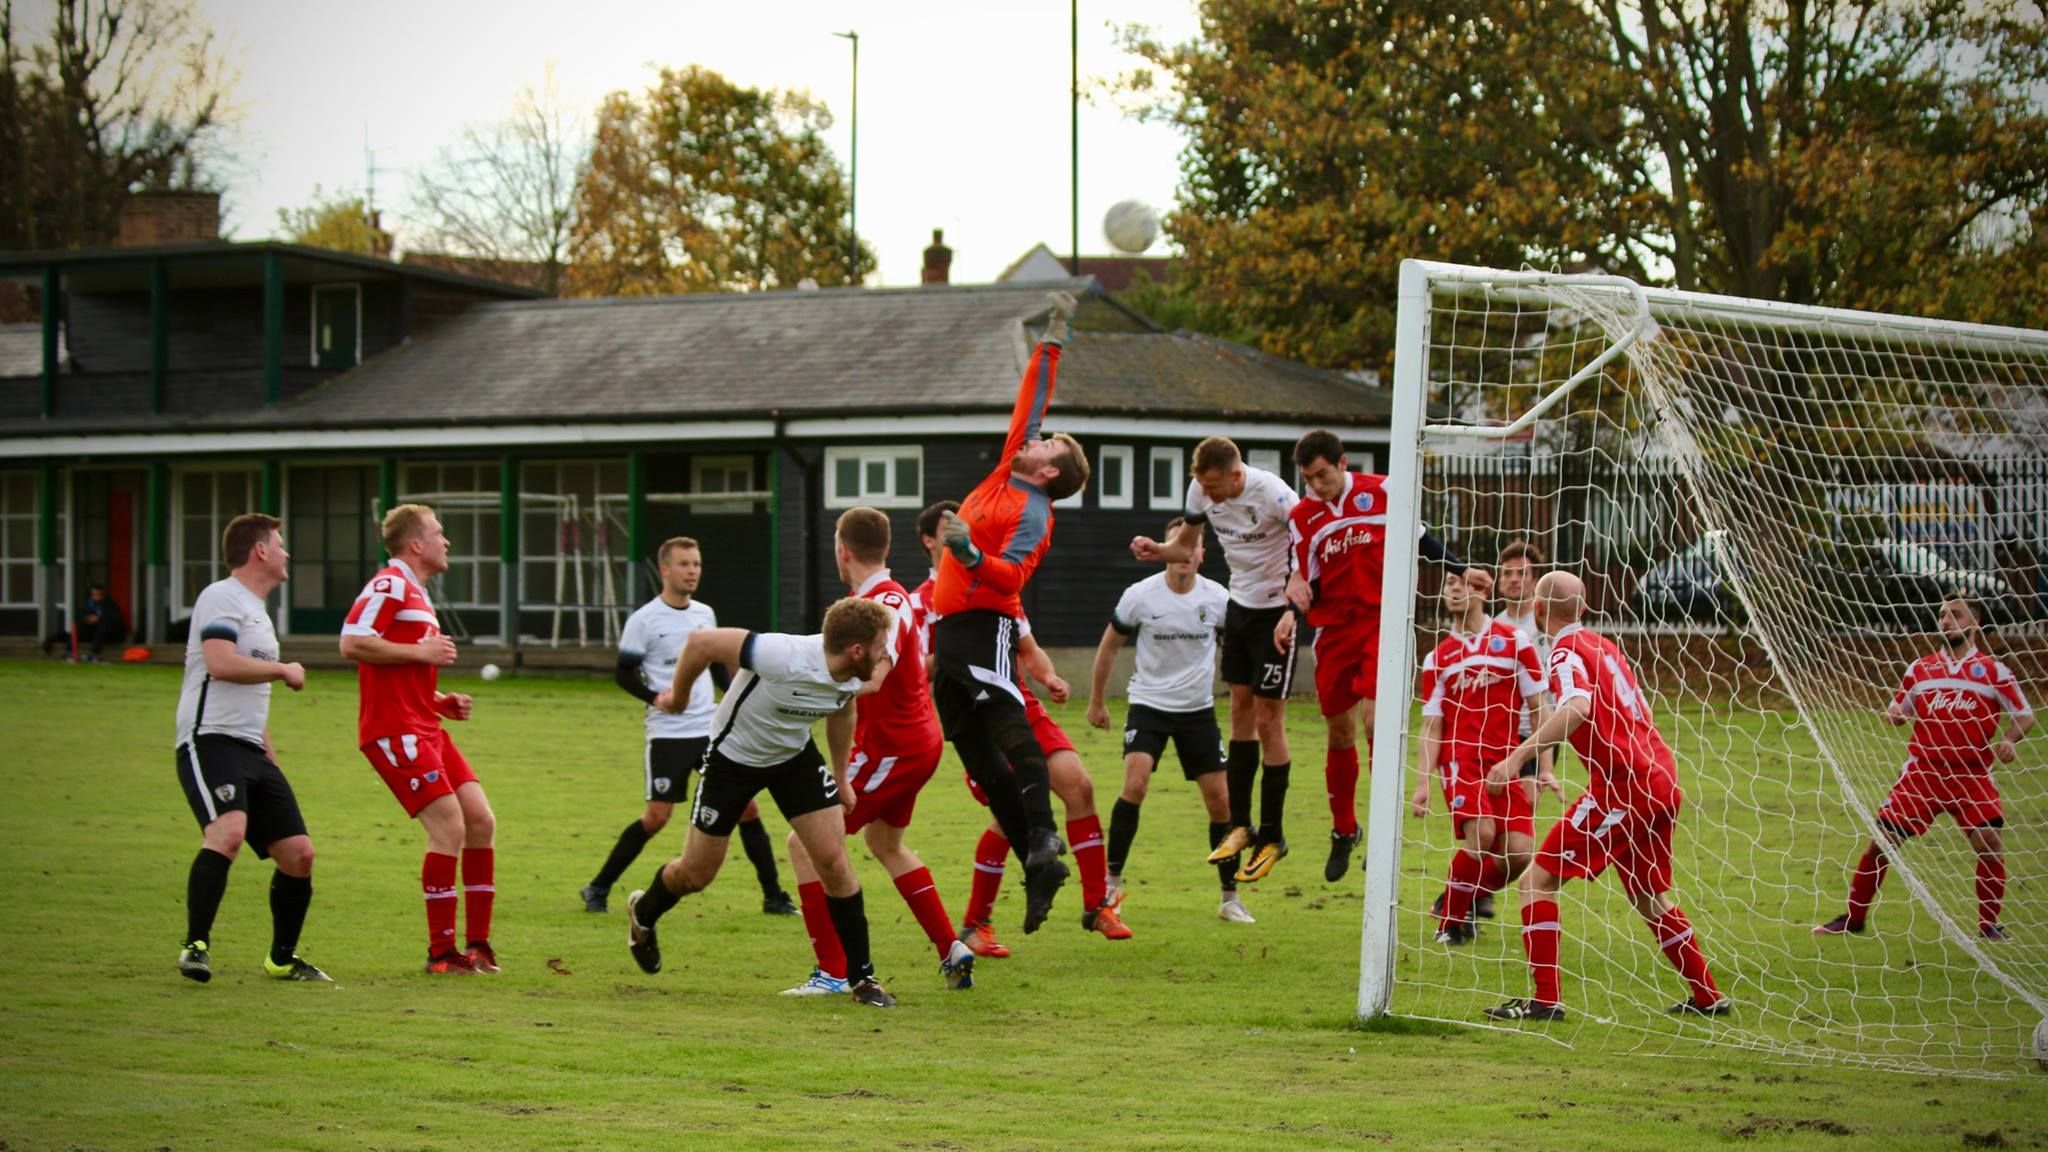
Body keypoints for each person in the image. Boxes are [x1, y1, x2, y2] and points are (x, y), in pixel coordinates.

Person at [626, 597, 899, 1008]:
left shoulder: (853, 673)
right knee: (696, 874)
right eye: (881, 647)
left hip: (793, 758)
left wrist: (842, 779)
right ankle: (643, 914)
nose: (885, 654)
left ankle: (863, 980)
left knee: (834, 860)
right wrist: (679, 701)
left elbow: (843, 710)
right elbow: (701, 643)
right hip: (732, 760)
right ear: (856, 650)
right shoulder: (781, 654)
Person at [1482, 572, 1727, 1021]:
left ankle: (1545, 1002)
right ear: (1585, 607)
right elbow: (1639, 709)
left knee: (1536, 880)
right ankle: (1708, 996)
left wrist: (1517, 759)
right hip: (1661, 777)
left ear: (1538, 610)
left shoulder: (1564, 650)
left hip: (1624, 786)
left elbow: (1577, 706)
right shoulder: (1605, 646)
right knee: (1648, 892)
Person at [930, 290, 1091, 933]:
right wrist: (1052, 338)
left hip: (987, 627)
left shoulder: (1035, 513)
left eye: (1048, 443)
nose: (1038, 438)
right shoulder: (1008, 468)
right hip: (950, 632)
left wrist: (968, 554)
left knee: (1007, 721)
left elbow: (1011, 577)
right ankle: (1038, 855)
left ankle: (1045, 837)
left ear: (1050, 473)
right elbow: (1034, 397)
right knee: (971, 747)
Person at [781, 509, 975, 996]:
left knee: (804, 843)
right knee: (884, 845)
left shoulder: (883, 606)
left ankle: (831, 972)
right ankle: (951, 947)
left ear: (841, 550)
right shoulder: (882, 599)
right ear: (886, 549)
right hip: (919, 739)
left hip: (893, 745)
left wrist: (812, 693)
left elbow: (874, 676)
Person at [1274, 430, 1463, 884]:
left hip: (1382, 623)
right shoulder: (1303, 517)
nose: (1316, 485)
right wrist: (1289, 607)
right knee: (1340, 734)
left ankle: (1383, 830)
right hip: (1334, 631)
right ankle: (1345, 830)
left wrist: (1460, 567)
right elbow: (1309, 581)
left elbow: (1421, 539)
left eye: (1322, 474)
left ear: (1342, 463)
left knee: (1377, 724)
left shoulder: (1382, 490)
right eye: (1308, 478)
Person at [581, 537, 795, 917]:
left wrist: (738, 698)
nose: (692, 571)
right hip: (668, 734)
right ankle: (598, 887)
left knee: (748, 809)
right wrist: (654, 698)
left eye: (696, 564)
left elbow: (714, 668)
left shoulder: (704, 615)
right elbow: (622, 673)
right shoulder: (644, 620)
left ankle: (774, 897)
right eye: (684, 564)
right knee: (657, 817)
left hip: (709, 730)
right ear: (665, 570)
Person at [1130, 437, 1298, 886]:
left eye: (1214, 485)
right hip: (1240, 610)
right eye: (1201, 485)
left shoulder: (1276, 495)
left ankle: (1274, 835)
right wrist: (1158, 551)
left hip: (1276, 612)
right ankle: (1241, 826)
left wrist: (1293, 611)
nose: (1208, 493)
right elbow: (1186, 545)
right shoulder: (1200, 491)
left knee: (1268, 722)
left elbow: (1309, 552)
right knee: (1239, 712)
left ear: (1236, 475)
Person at [1815, 594, 2033, 940]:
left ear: (1974, 623)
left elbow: (2025, 715)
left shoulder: (1994, 672)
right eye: (1942, 615)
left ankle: (1989, 925)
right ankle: (1853, 919)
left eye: (1955, 615)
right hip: (1923, 773)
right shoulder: (1920, 668)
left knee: (1989, 841)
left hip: (1971, 775)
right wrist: (1896, 715)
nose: (1946, 621)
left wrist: (2009, 739)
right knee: (1880, 842)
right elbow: (1899, 707)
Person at [340, 504, 499, 975]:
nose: (446, 541)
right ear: (415, 544)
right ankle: (441, 953)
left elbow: (398, 672)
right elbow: (351, 641)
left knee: (480, 820)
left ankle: (479, 946)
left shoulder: (417, 594)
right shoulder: (388, 584)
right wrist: (421, 650)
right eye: (439, 533)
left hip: (424, 724)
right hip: (394, 731)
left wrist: (438, 700)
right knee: (448, 826)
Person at [173, 513, 327, 984]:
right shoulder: (221, 596)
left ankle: (282, 960)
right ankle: (195, 947)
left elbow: (249, 694)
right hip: (209, 740)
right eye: (279, 544)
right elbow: (220, 664)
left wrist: (268, 755)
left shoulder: (258, 612)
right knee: (228, 832)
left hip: (250, 748)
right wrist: (283, 670)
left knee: (299, 854)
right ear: (260, 550)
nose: (286, 553)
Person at [1090, 519, 1245, 923]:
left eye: (1191, 545)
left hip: (1198, 712)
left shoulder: (1217, 599)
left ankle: (1230, 897)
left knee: (1221, 801)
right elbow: (1109, 645)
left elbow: (1238, 653)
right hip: (1149, 706)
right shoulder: (1140, 597)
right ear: (1166, 549)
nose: (1184, 553)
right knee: (1135, 784)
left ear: (1201, 554)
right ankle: (1111, 884)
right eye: (1177, 543)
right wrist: (1096, 701)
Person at [1408, 567, 1556, 944]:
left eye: (1461, 584)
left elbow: (1539, 707)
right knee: (1483, 834)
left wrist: (1544, 767)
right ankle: (1450, 925)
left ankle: (1457, 898)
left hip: (1507, 759)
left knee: (1519, 854)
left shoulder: (1515, 641)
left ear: (1481, 591)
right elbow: (1432, 726)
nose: (1454, 590)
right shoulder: (1437, 658)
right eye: (1448, 585)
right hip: (1461, 760)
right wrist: (1422, 782)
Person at [1486, 540, 1556, 921]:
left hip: (1536, 735)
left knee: (1520, 840)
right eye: (1508, 573)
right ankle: (1471, 893)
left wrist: (1546, 761)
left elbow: (1547, 693)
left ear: (1535, 581)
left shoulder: (1545, 626)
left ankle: (1471, 891)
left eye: (1522, 574)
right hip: (1495, 736)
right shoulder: (1492, 627)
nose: (1514, 580)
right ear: (1498, 581)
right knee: (1492, 827)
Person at [45, 582, 126, 661]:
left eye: (98, 594)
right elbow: (82, 616)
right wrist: (87, 619)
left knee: (102, 626)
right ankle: (69, 652)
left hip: (110, 635)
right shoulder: (90, 604)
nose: (96, 597)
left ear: (103, 595)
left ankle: (94, 654)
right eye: (94, 594)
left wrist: (99, 618)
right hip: (93, 634)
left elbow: (116, 620)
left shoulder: (110, 604)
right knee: (79, 627)